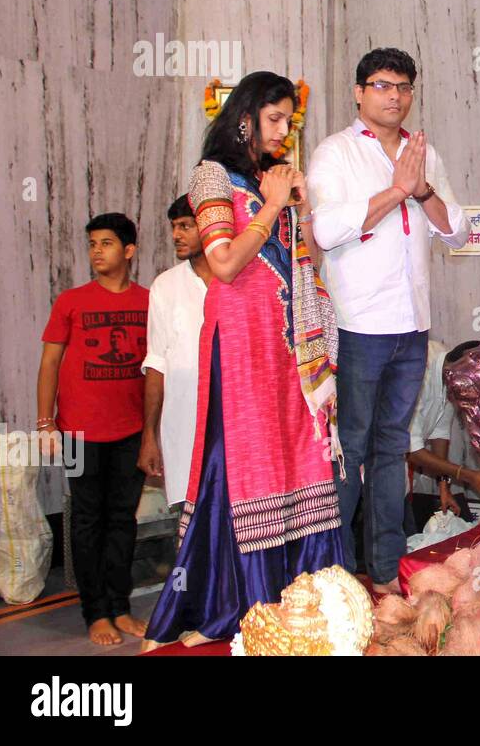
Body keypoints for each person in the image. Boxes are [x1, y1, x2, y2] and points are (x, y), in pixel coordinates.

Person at [143, 72, 342, 648]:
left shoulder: (267, 178)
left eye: (290, 121)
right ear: (246, 117)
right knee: (239, 469)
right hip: (240, 345)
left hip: (287, 348)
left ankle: (299, 596)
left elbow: (303, 262)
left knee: (293, 462)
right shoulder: (212, 176)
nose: (284, 131)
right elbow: (225, 263)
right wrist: (272, 205)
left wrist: (296, 207)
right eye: (276, 120)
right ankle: (230, 603)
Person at [308, 48, 470, 594]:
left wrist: (420, 189)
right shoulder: (335, 153)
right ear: (359, 92)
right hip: (356, 326)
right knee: (348, 450)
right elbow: (327, 231)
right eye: (381, 85)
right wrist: (397, 191)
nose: (394, 96)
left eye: (403, 87)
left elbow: (457, 232)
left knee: (389, 451)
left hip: (411, 326)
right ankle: (328, 575)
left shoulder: (423, 154)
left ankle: (381, 572)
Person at [37, 213, 149, 646]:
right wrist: (46, 423)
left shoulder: (147, 300)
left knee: (122, 519)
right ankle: (94, 611)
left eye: (105, 243)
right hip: (76, 433)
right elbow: (49, 363)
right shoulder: (71, 300)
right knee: (87, 521)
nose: (97, 251)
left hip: (132, 430)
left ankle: (119, 606)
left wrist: (154, 432)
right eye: (91, 244)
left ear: (128, 250)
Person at [138, 196, 212, 507]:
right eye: (173, 227)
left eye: (185, 226)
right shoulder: (165, 286)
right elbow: (157, 363)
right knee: (189, 523)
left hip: (238, 428)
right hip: (184, 427)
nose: (176, 235)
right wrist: (149, 436)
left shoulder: (241, 279)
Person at [405, 339, 480, 532]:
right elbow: (413, 450)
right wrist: (468, 475)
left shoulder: (448, 371)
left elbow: (440, 433)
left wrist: (443, 487)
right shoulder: (420, 371)